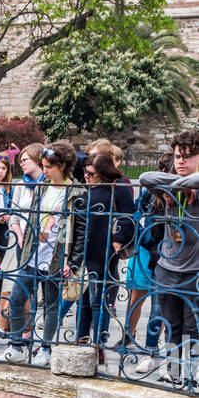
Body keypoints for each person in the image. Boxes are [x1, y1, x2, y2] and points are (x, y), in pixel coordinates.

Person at [2, 141, 87, 367]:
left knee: (51, 305)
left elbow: (81, 231)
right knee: (17, 298)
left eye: (49, 166)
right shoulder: (42, 186)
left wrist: (75, 262)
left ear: (64, 165)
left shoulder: (77, 192)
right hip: (33, 253)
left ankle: (46, 348)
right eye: (44, 165)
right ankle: (17, 344)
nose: (45, 170)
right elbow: (31, 219)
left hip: (57, 257)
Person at [139, 129, 199, 385]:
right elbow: (144, 176)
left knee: (193, 329)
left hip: (194, 271)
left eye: (187, 156)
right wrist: (177, 185)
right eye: (177, 156)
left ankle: (194, 374)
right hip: (167, 269)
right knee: (172, 325)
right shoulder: (168, 187)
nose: (180, 161)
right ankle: (173, 372)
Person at [77, 150, 134, 361]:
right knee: (83, 298)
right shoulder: (89, 189)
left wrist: (117, 241)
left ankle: (98, 343)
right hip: (86, 251)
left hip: (105, 252)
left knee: (98, 300)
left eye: (91, 173)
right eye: (86, 172)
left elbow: (128, 217)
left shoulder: (118, 188)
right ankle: (81, 338)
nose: (87, 176)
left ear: (103, 172)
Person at [126, 151, 171, 375]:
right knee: (156, 308)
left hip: (180, 259)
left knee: (180, 312)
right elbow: (135, 211)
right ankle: (151, 353)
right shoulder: (151, 195)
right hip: (155, 257)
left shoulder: (185, 195)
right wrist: (144, 234)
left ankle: (176, 359)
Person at [0, 143, 46, 334]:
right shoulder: (20, 185)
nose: (22, 164)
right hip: (22, 242)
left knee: (44, 283)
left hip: (45, 242)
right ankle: (26, 327)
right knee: (26, 286)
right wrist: (18, 236)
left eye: (25, 160)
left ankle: (43, 327)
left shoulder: (48, 184)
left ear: (37, 160)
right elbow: (15, 216)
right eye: (21, 160)